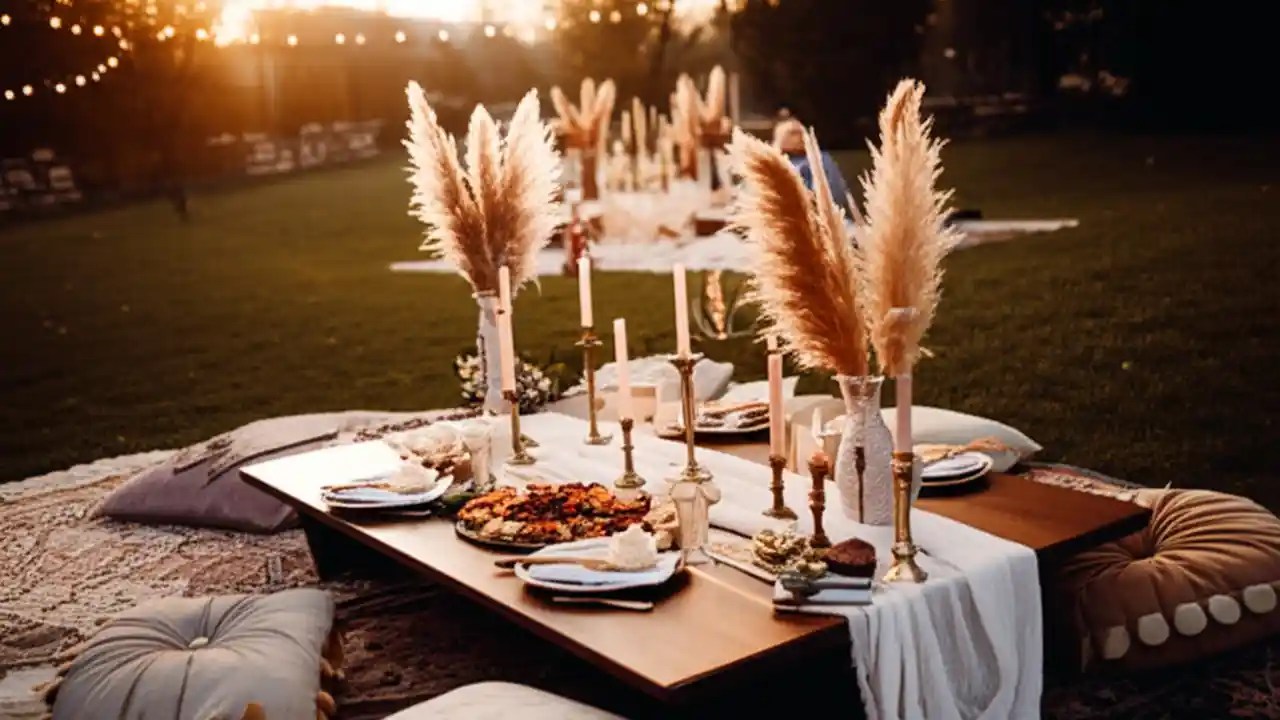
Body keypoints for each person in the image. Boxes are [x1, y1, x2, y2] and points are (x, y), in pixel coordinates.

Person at [772, 118, 855, 219]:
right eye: (793, 133)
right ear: (781, 137)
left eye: (802, 132)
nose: (801, 136)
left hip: (822, 218)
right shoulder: (772, 161)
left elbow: (836, 193)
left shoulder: (820, 159)